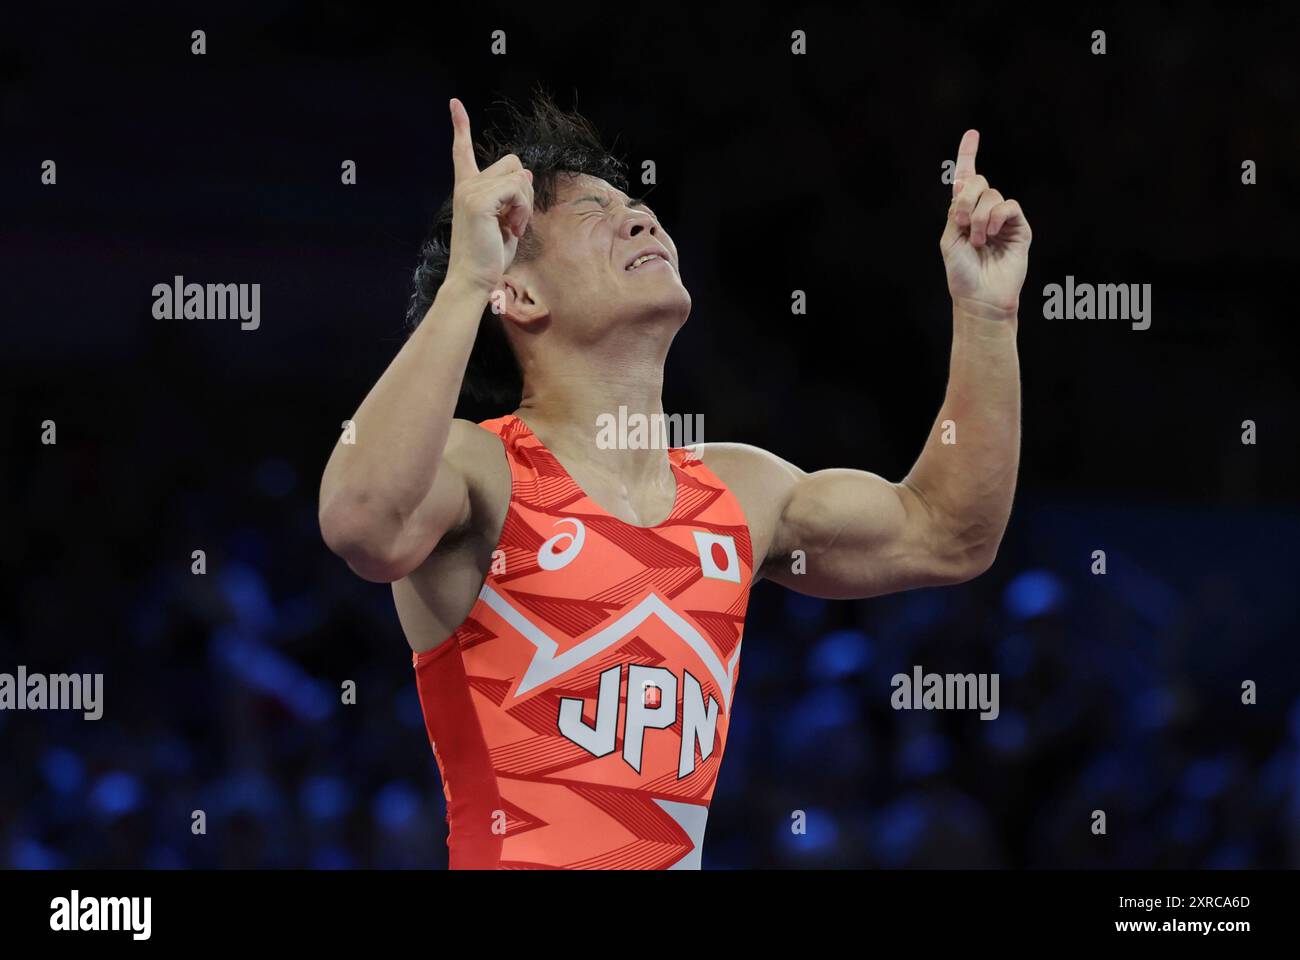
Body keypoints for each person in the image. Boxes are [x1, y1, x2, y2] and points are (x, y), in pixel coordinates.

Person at [318, 92, 1030, 868]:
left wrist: (987, 318)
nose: (641, 218)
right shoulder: (479, 469)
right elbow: (362, 522)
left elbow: (952, 532)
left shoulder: (741, 492)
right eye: (594, 212)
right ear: (517, 292)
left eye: (638, 205)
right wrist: (464, 282)